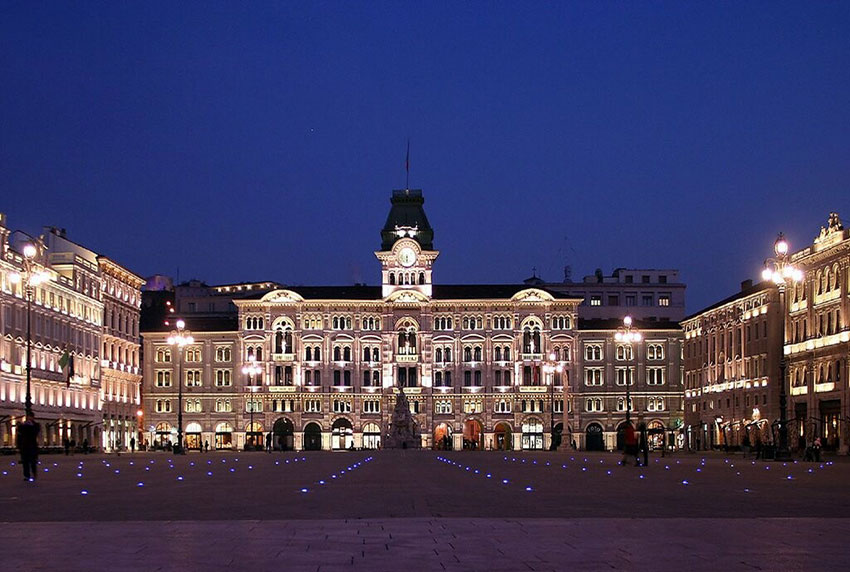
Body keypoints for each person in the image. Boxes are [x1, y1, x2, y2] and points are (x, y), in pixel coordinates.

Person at [17, 413, 40, 481]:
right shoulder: (24, 425)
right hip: (24, 446)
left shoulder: (36, 425)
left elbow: (35, 433)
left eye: (31, 417)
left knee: (33, 461)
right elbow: (20, 433)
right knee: (25, 462)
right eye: (28, 417)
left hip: (32, 446)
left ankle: (34, 473)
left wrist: (30, 426)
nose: (29, 418)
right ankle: (26, 475)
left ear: (33, 417)